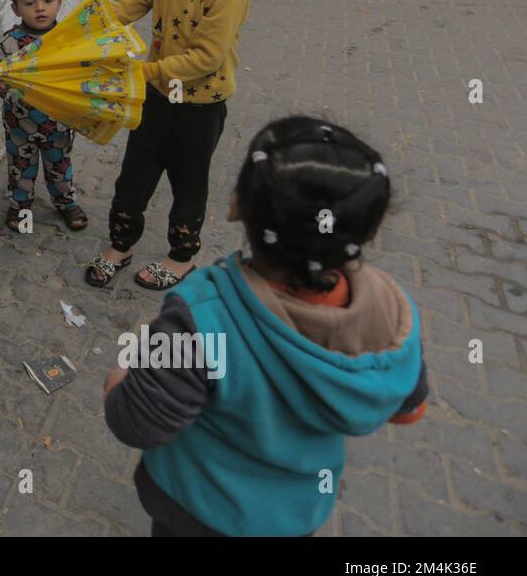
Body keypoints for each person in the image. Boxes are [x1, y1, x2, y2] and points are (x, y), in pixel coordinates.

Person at [103, 116, 428, 536]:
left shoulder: (201, 316)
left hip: (196, 514)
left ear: (238, 205)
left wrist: (119, 378)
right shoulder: (389, 309)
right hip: (297, 518)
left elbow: (138, 423)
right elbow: (410, 411)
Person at [86, 0, 249, 291]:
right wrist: (79, 32)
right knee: (133, 179)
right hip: (157, 100)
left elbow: (205, 58)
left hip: (200, 108)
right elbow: (121, 10)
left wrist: (145, 72)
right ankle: (120, 246)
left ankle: (181, 257)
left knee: (188, 184)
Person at [0, 0, 87, 232]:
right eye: (29, 3)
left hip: (59, 125)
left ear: (59, 2)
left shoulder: (68, 39)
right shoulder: (9, 43)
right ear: (16, 8)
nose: (40, 8)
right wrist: (14, 93)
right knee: (21, 168)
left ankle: (66, 203)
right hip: (20, 125)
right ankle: (20, 206)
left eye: (48, 0)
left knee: (60, 165)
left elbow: (85, 72)